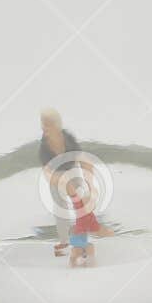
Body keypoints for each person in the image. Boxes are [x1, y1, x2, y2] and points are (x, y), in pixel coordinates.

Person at [39, 108, 89, 255]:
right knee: (61, 210)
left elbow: (80, 157)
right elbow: (47, 172)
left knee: (81, 206)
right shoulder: (44, 147)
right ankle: (64, 242)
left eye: (48, 124)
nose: (44, 127)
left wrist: (87, 181)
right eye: (43, 124)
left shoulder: (68, 138)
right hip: (56, 176)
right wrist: (60, 181)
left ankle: (81, 243)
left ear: (57, 125)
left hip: (72, 171)